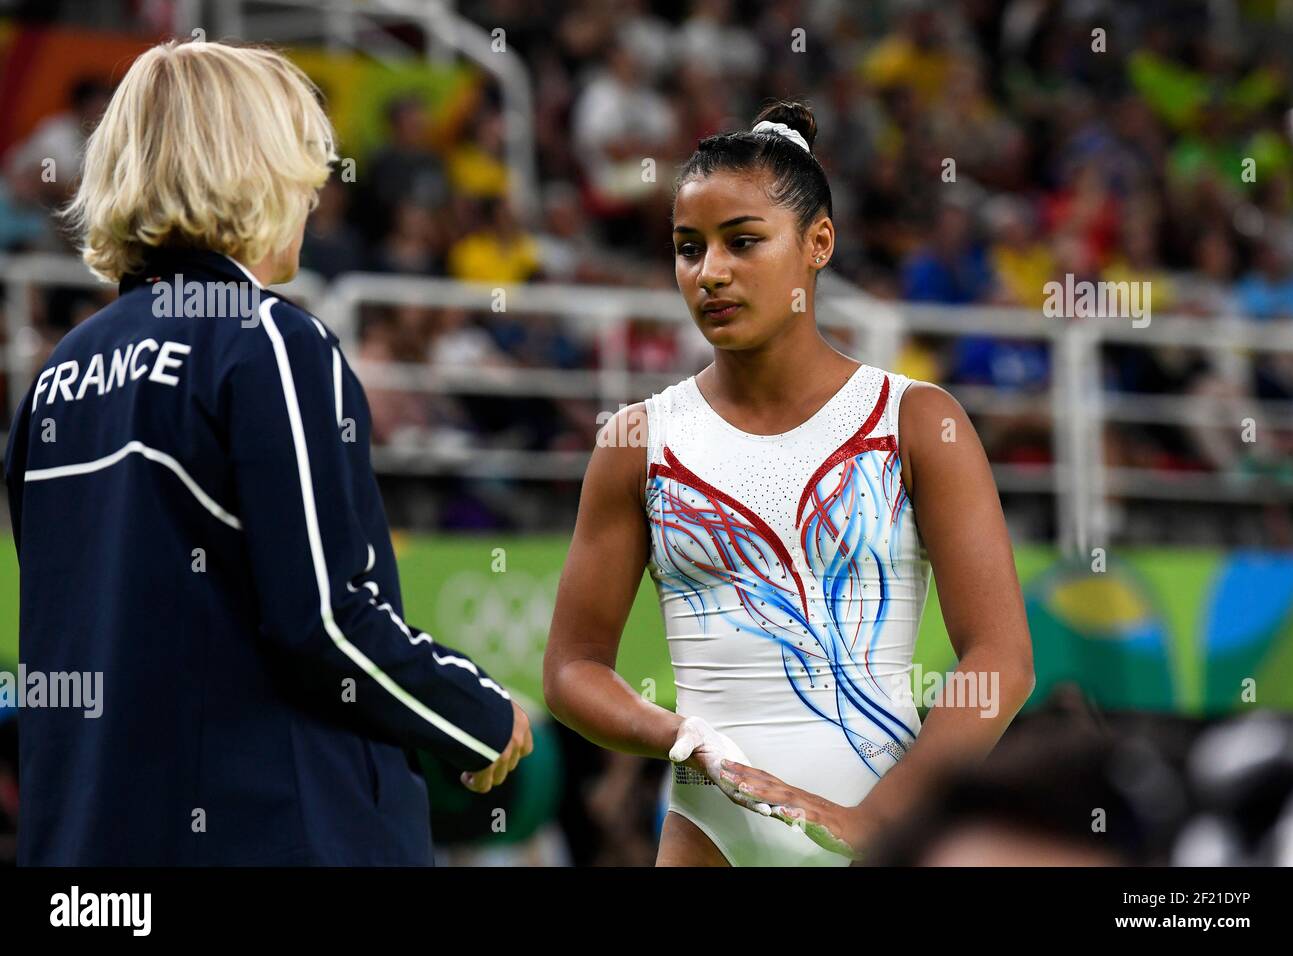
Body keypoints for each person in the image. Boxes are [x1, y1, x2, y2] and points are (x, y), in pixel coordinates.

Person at [3, 39, 530, 866]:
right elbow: (321, 619)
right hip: (280, 832)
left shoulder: (54, 379)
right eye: (306, 161)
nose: (317, 191)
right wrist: (478, 713)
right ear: (252, 168)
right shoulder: (269, 342)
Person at [544, 101, 1034, 866]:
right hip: (710, 837)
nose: (710, 273)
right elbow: (571, 669)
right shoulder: (638, 440)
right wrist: (676, 734)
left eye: (743, 242)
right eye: (687, 248)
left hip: (885, 832)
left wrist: (877, 819)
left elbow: (1001, 661)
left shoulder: (914, 421)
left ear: (818, 243)